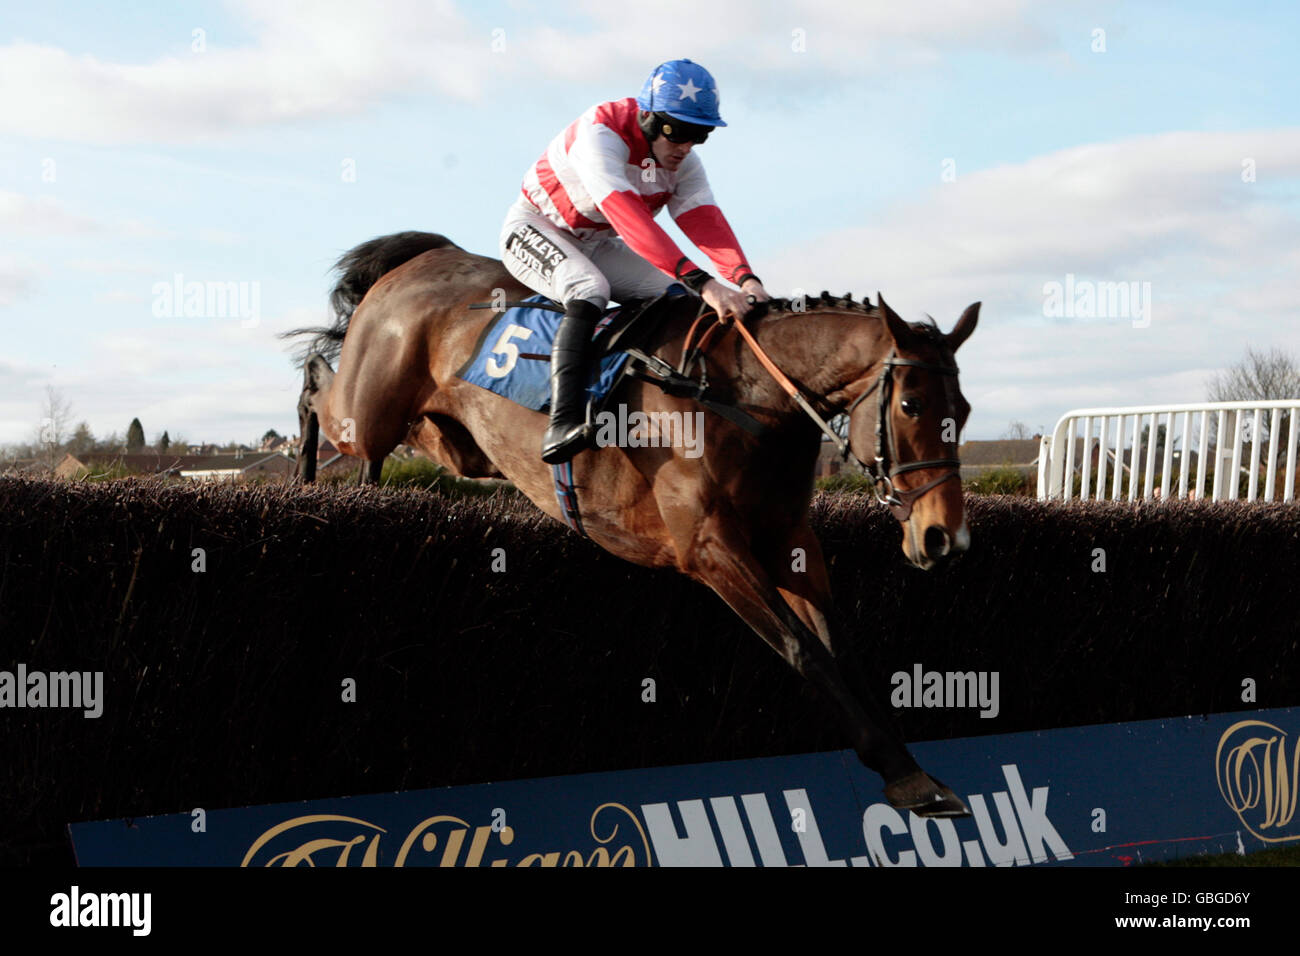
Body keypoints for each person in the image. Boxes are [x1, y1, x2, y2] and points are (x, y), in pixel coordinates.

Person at [499, 58, 770, 464]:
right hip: (536, 228)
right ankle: (563, 419)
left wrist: (746, 279)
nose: (686, 147)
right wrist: (706, 282)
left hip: (598, 242)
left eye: (700, 135)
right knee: (590, 289)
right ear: (647, 117)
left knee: (679, 298)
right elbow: (629, 219)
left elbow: (705, 222)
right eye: (677, 133)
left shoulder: (684, 164)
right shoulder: (600, 135)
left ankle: (640, 399)